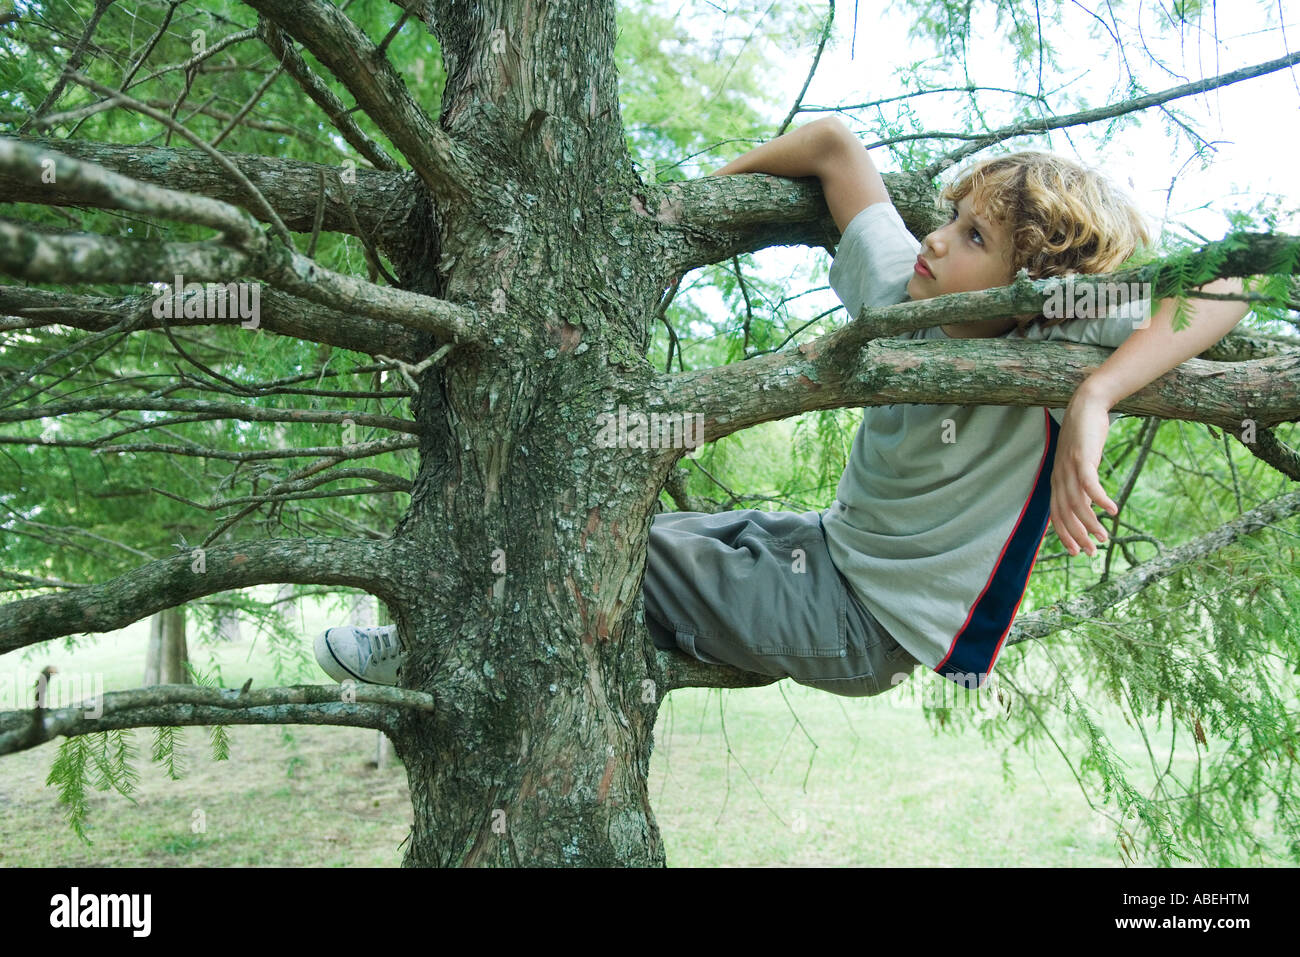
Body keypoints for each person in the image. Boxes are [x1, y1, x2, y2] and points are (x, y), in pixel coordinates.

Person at [314, 117, 1250, 697]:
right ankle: (476, 626)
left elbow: (1237, 282)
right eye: (953, 212)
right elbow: (834, 146)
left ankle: (432, 654)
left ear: (1038, 283)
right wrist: (665, 221)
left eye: (973, 235)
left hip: (870, 621)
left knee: (601, 551)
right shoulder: (904, 293)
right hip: (825, 550)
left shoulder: (1053, 337)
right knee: (623, 519)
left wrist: (1097, 393)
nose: (936, 236)